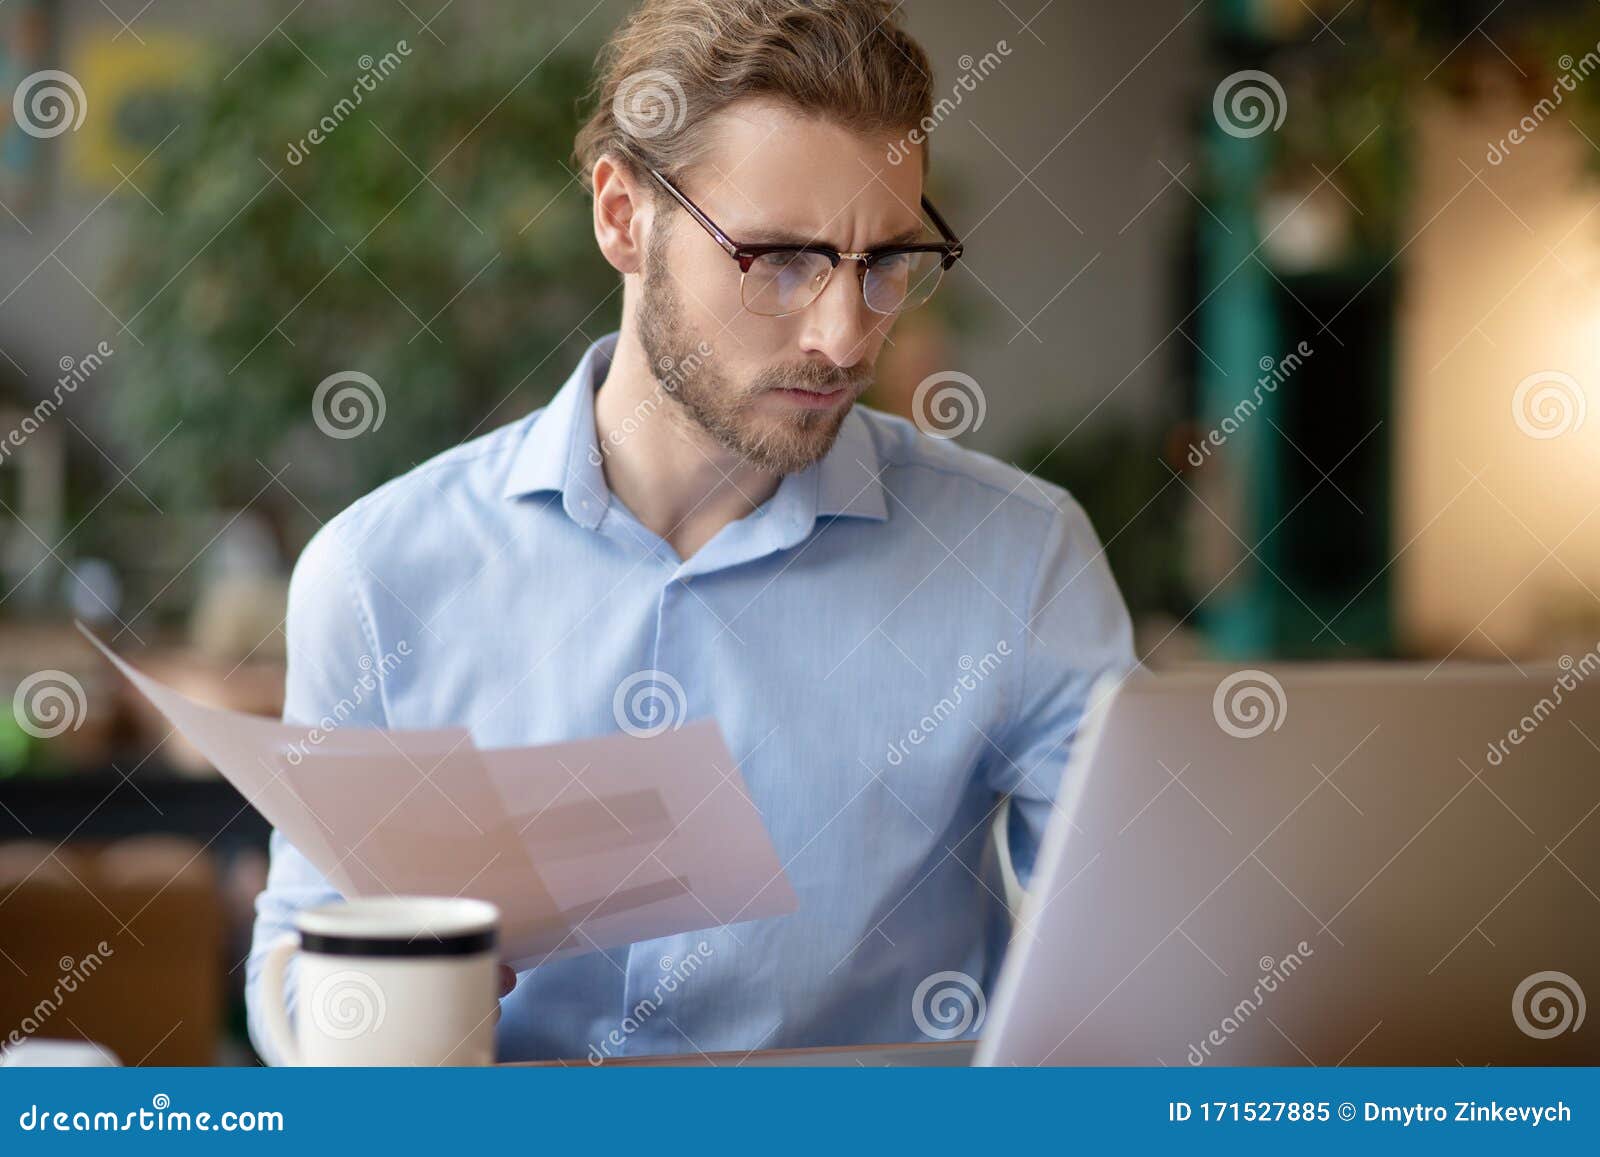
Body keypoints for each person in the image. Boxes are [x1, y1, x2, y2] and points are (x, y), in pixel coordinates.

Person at [247, 0, 1134, 1064]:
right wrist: (381, 996)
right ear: (623, 217)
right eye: (780, 259)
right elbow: (296, 956)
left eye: (886, 261)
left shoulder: (1018, 559)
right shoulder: (379, 573)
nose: (844, 335)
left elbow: (1146, 944)